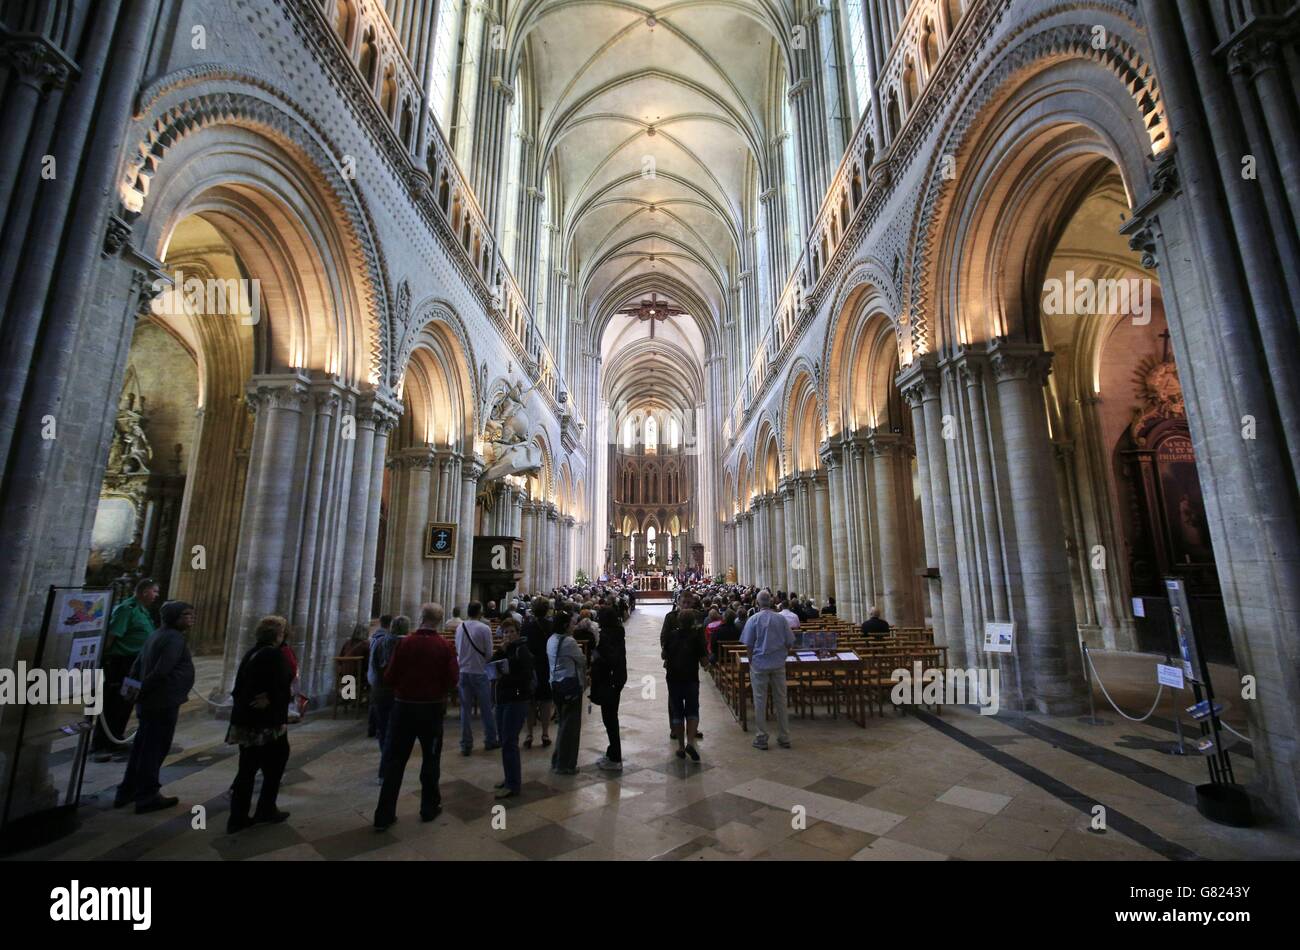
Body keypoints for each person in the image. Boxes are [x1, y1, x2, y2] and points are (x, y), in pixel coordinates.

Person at [374, 603, 459, 831]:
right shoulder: (444, 646)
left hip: (403, 709)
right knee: (431, 759)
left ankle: (384, 814)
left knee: (395, 761)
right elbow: (453, 680)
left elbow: (389, 676)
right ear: (439, 621)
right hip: (431, 711)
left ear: (420, 618)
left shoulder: (405, 643)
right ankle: (429, 808)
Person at [114, 600, 196, 813]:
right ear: (174, 617)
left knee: (142, 746)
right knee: (155, 747)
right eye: (186, 614)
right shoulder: (174, 639)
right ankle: (147, 795)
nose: (191, 618)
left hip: (150, 701)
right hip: (162, 701)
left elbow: (137, 665)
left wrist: (132, 692)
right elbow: (161, 671)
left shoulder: (156, 634)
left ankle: (127, 790)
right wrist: (142, 691)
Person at [226, 615, 294, 834]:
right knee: (275, 762)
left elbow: (241, 688)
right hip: (265, 724)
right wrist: (273, 700)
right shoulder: (272, 654)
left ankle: (238, 816)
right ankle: (264, 808)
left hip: (247, 722)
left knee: (247, 768)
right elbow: (281, 684)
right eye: (282, 631)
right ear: (277, 635)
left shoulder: (252, 652)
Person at [93, 577, 159, 762]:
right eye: (154, 591)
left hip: (135, 664)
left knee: (126, 701)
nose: (156, 595)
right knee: (112, 703)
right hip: (120, 664)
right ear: (145, 591)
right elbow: (112, 637)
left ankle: (116, 738)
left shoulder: (142, 611)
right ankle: (100, 744)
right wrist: (103, 658)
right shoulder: (126, 609)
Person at [740, 590, 794, 751]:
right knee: (781, 700)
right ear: (770, 602)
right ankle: (784, 737)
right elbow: (790, 642)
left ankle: (762, 737)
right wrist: (782, 655)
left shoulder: (753, 619)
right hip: (778, 664)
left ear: (757, 603)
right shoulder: (781, 619)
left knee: (760, 700)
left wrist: (752, 661)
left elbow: (748, 645)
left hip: (759, 665)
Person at [489, 616, 533, 798]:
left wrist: (504, 678)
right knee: (505, 740)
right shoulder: (506, 649)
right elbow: (492, 666)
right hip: (502, 699)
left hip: (516, 700)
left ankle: (513, 784)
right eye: (505, 632)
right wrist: (500, 652)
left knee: (509, 741)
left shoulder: (522, 651)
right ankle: (509, 778)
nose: (508, 635)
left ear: (517, 632)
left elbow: (526, 677)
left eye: (512, 632)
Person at [456, 601, 500, 755]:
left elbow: (457, 649)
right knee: (486, 708)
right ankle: (490, 740)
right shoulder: (484, 628)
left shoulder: (460, 627)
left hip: (463, 672)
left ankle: (465, 744)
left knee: (465, 710)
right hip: (479, 672)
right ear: (480, 612)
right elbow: (488, 654)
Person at [662, 606, 706, 761]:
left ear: (678, 621)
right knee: (693, 709)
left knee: (677, 711)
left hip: (674, 677)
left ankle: (681, 746)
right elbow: (704, 659)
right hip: (691, 677)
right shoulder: (696, 636)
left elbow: (663, 655)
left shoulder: (671, 636)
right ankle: (691, 743)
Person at [369, 615, 408, 782]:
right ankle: (387, 769)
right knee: (395, 732)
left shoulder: (377, 642)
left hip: (379, 691)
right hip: (398, 693)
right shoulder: (405, 645)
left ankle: (387, 764)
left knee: (385, 729)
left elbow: (371, 669)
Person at [547, 610, 586, 775]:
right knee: (570, 726)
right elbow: (582, 660)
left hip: (555, 684)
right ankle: (565, 765)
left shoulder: (550, 639)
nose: (574, 625)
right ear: (565, 625)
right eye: (571, 623)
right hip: (569, 685)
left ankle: (557, 759)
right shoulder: (569, 642)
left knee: (563, 723)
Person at [589, 605, 627, 772]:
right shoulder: (618, 633)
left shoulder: (605, 636)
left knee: (609, 718)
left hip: (608, 680)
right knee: (611, 717)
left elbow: (607, 658)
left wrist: (596, 658)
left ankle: (615, 757)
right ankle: (612, 751)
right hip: (617, 679)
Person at [523, 598, 553, 749]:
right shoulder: (551, 625)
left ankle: (529, 734)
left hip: (531, 667)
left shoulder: (527, 626)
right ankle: (545, 733)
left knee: (531, 701)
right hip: (546, 666)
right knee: (546, 701)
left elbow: (523, 646)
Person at [366, 615, 392, 738]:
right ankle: (378, 729)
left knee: (375, 701)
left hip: (368, 676)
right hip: (378, 678)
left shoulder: (373, 639)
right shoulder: (383, 640)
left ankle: (348, 699)